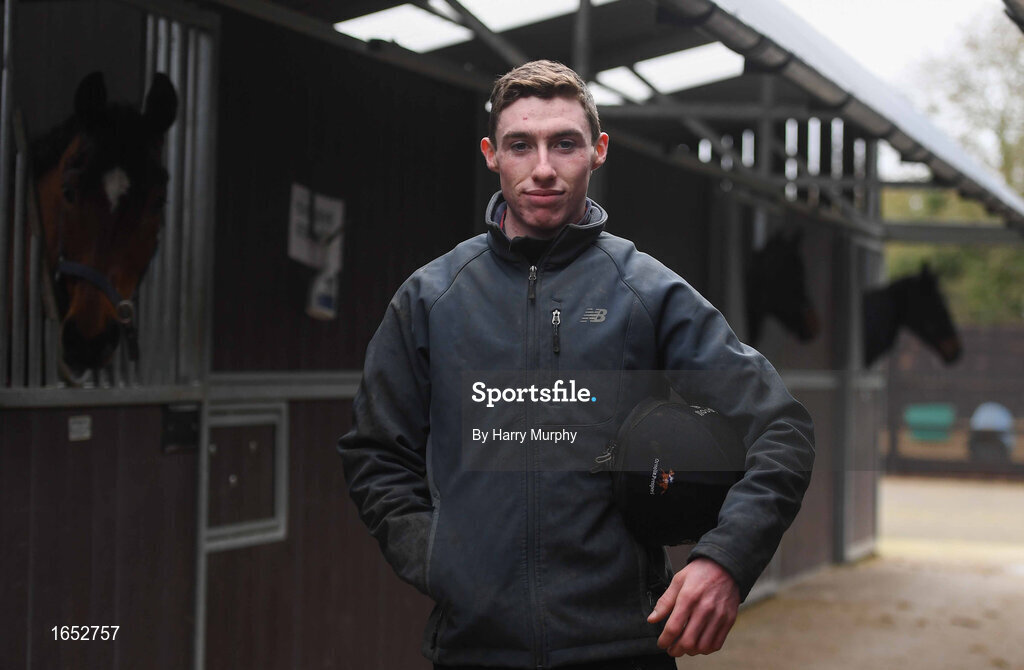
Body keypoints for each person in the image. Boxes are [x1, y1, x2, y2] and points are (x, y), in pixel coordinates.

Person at [338, 60, 815, 669]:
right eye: (521, 145)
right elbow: (375, 452)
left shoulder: (649, 293)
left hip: (622, 647)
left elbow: (781, 431)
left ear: (598, 151)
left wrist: (725, 560)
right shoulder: (432, 298)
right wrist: (438, 558)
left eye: (565, 143)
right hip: (476, 651)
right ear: (491, 154)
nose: (542, 168)